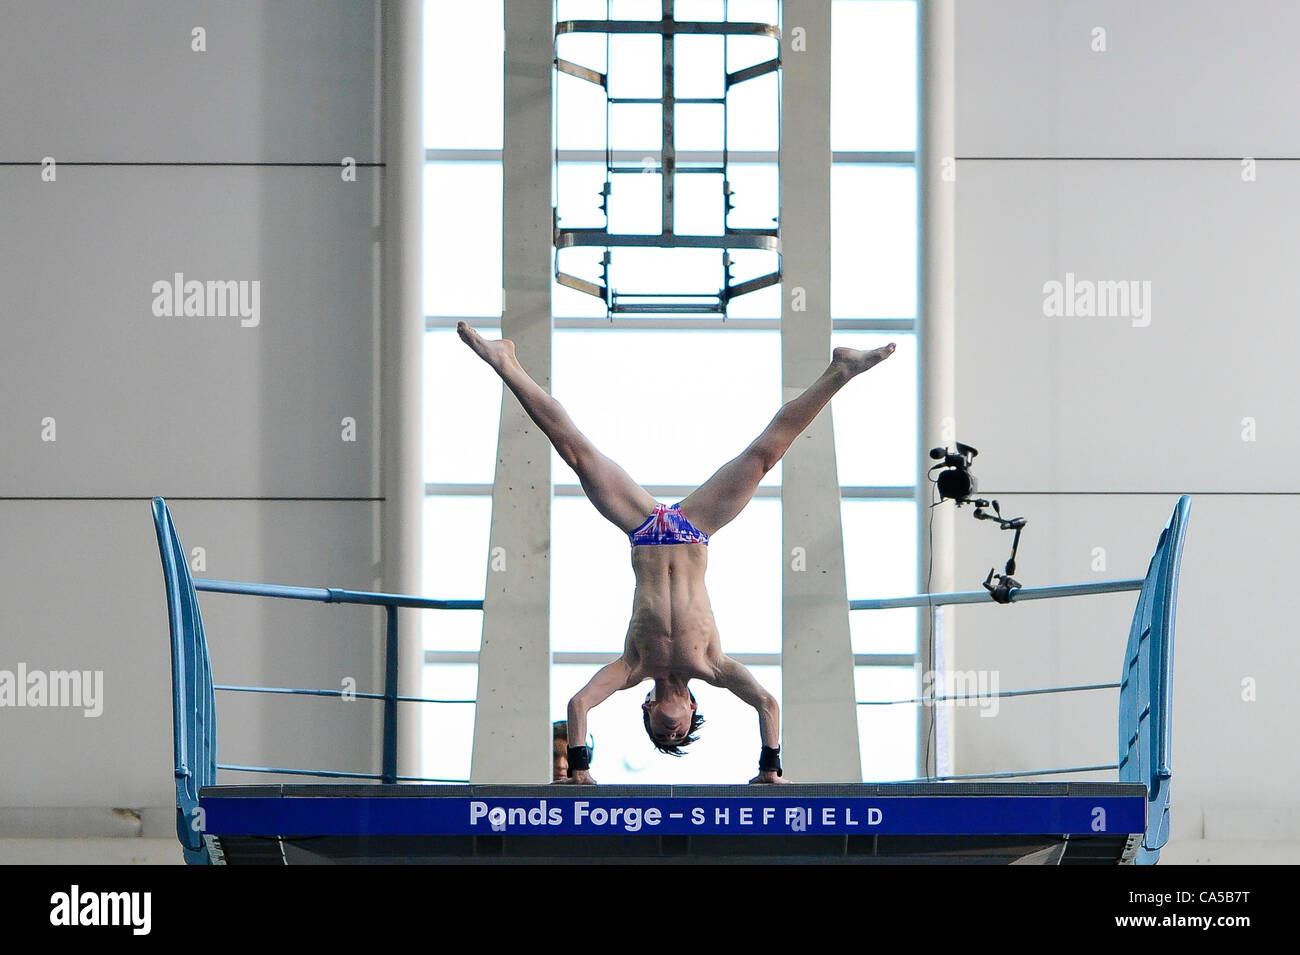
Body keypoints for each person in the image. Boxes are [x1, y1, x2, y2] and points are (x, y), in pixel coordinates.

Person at [458, 321, 895, 784]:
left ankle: (505, 361)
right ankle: (840, 372)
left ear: (646, 709)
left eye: (660, 734)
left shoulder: (632, 667)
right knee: (764, 454)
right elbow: (767, 703)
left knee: (575, 451)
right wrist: (771, 768)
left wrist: (581, 770)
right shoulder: (713, 666)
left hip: (643, 529)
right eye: (679, 734)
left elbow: (579, 704)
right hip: (693, 531)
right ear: (692, 707)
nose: (670, 731)